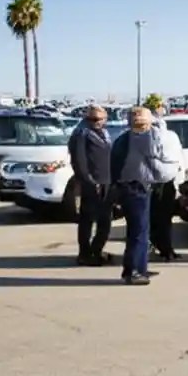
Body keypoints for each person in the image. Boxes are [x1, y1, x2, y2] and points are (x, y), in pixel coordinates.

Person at [110, 107, 170, 285]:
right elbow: (155, 150)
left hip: (132, 186)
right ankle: (134, 271)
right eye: (143, 124)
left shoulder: (124, 139)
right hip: (135, 187)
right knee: (139, 232)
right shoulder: (142, 138)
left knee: (139, 231)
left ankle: (137, 267)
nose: (146, 127)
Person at [69, 105, 114, 266]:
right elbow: (79, 161)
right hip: (92, 183)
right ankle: (85, 253)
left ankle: (96, 249)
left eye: (99, 119)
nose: (95, 122)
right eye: (91, 119)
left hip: (106, 182)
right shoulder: (82, 133)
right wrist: (88, 181)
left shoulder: (104, 133)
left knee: (105, 220)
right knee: (87, 220)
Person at [148, 105, 183, 261]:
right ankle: (153, 247)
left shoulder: (171, 137)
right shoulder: (145, 137)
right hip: (151, 182)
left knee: (165, 218)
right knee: (151, 218)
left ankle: (166, 248)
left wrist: (178, 180)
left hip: (167, 181)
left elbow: (179, 158)